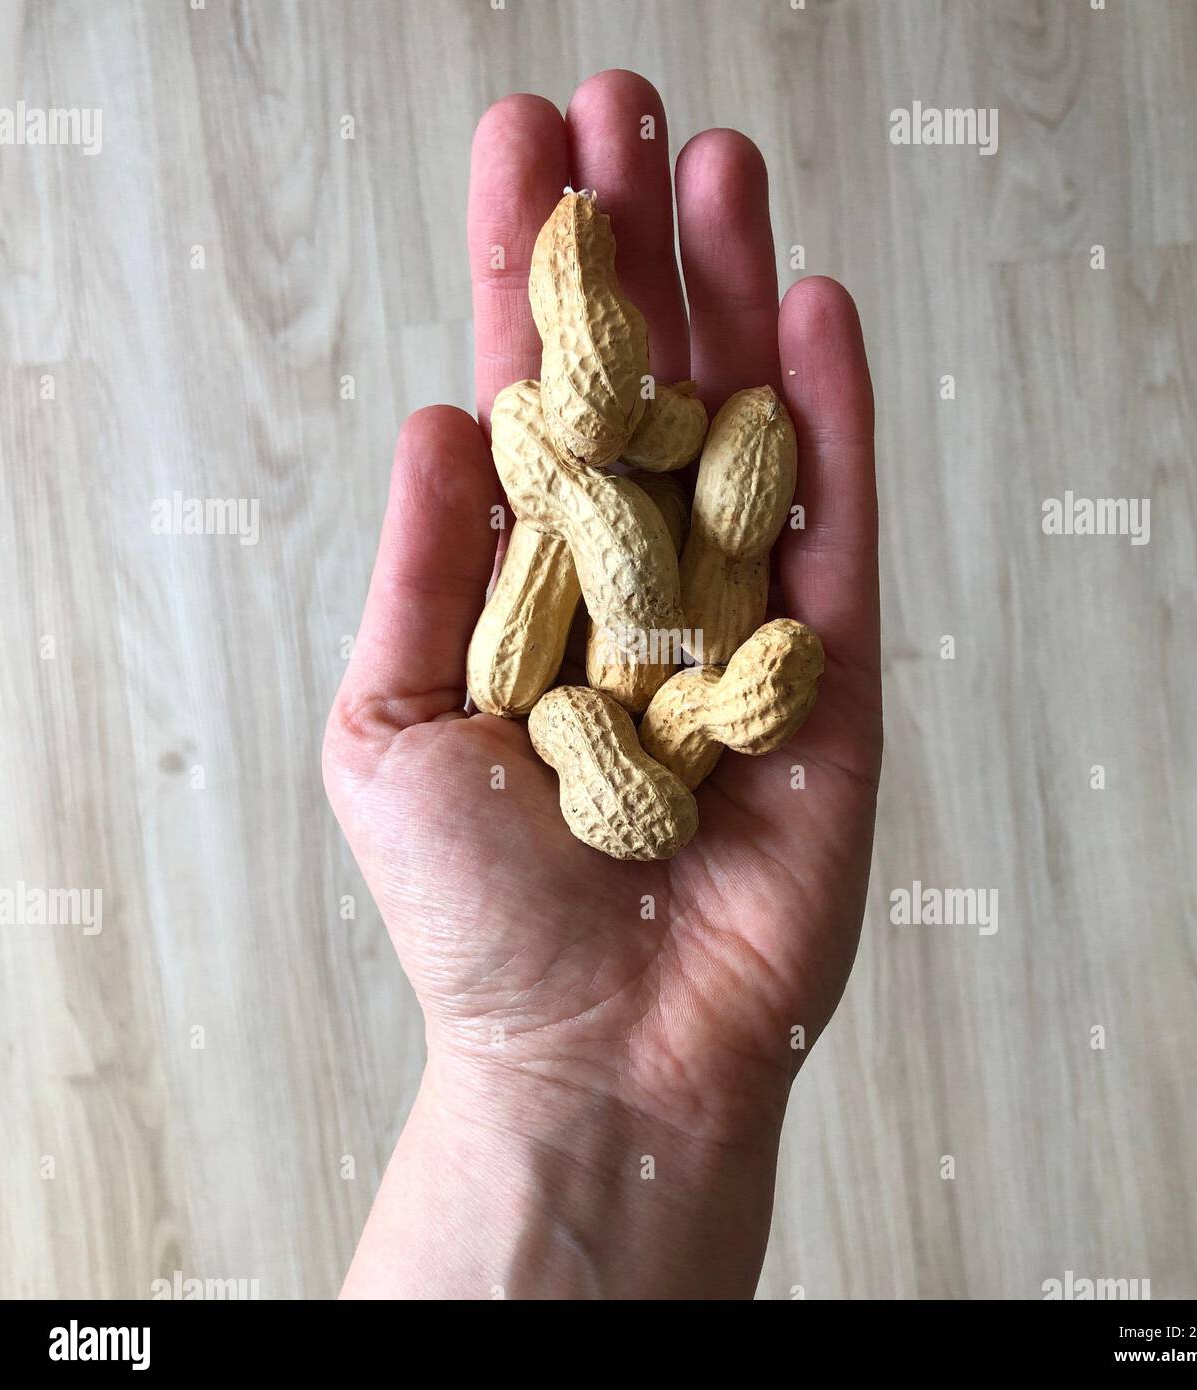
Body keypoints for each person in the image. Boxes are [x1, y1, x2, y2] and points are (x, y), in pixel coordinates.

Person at [323, 69, 881, 1299]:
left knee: (691, 556)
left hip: (652, 676)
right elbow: (582, 627)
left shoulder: (631, 481)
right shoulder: (582, 503)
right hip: (622, 681)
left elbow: (649, 586)